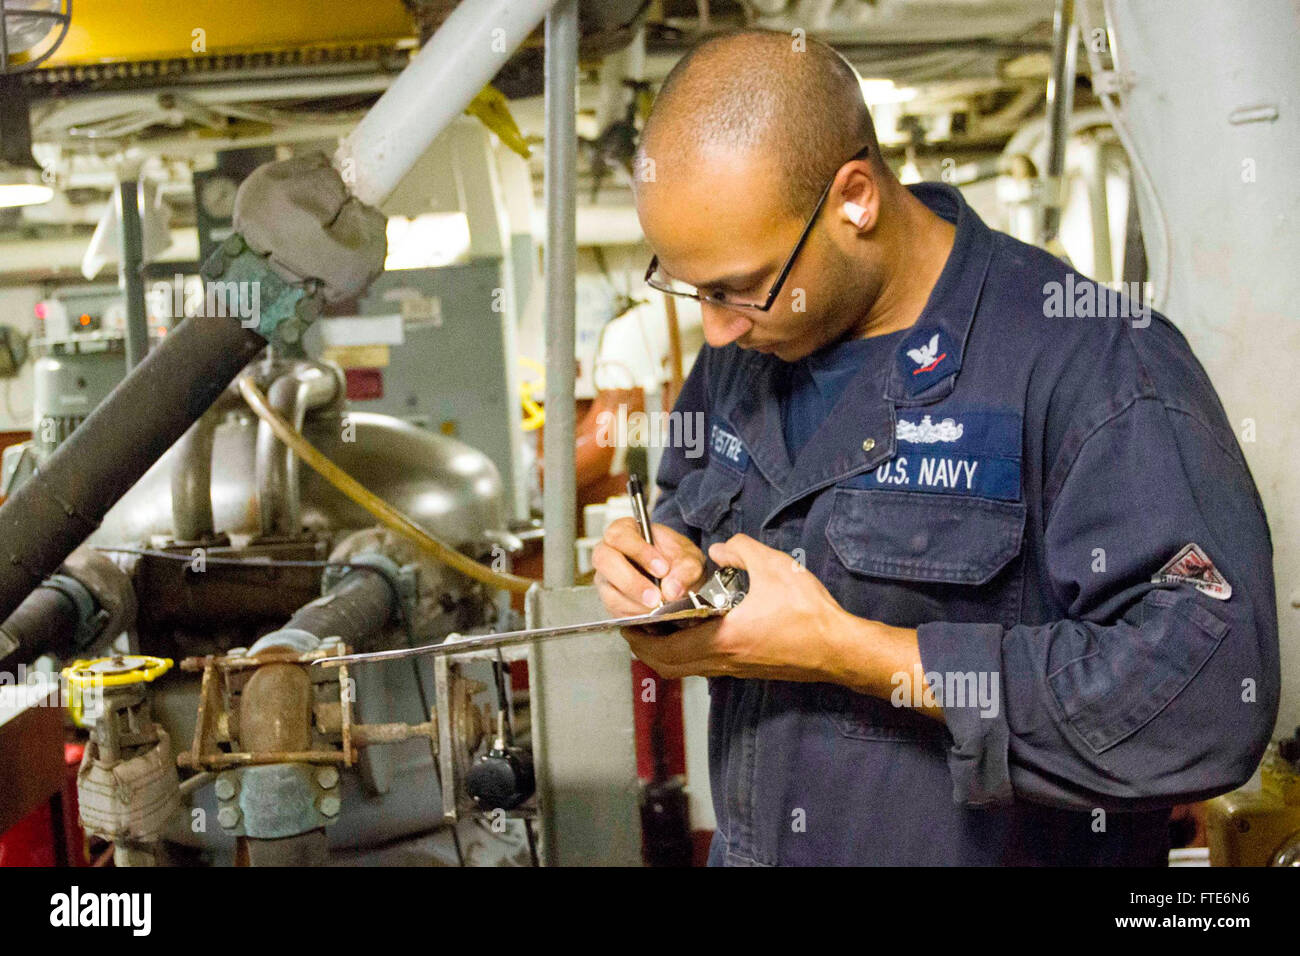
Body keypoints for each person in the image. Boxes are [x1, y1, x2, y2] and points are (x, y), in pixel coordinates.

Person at [591, 29, 1279, 866]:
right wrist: (664, 571)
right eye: (691, 286)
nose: (716, 327)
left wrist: (852, 653)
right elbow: (689, 516)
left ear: (855, 199)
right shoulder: (746, 352)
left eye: (739, 286)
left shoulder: (1093, 363)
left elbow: (1201, 704)